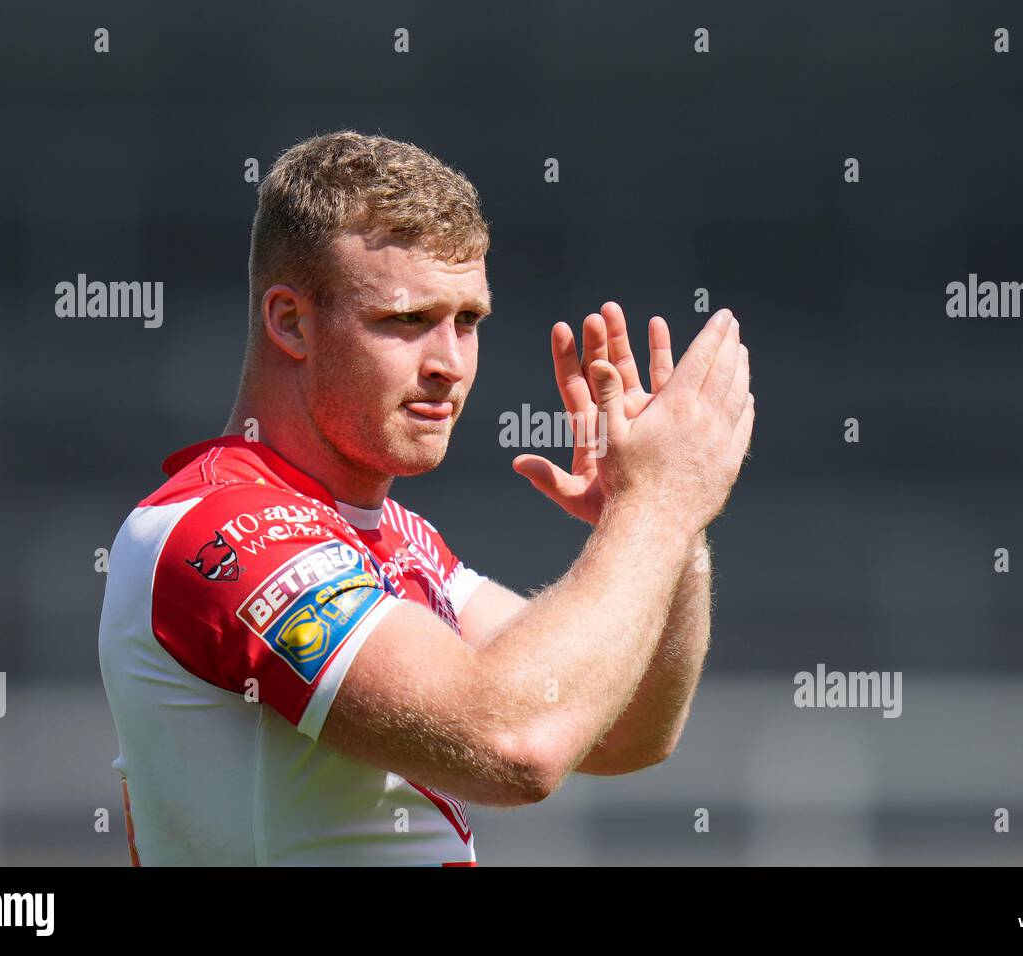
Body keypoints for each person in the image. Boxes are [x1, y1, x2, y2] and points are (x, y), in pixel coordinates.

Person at [97, 130, 753, 865]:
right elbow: (515, 743)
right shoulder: (220, 529)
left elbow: (630, 730)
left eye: (467, 320)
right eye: (406, 320)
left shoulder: (402, 538)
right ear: (289, 321)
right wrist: (653, 508)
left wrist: (672, 530)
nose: (449, 364)